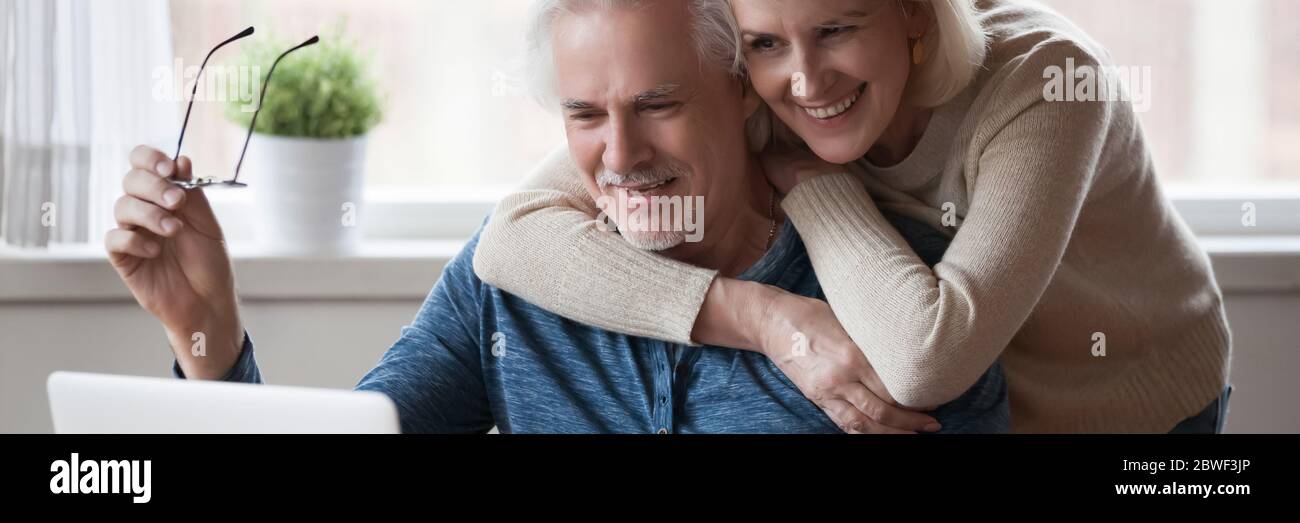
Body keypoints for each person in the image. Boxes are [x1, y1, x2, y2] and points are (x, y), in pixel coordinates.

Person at [104, 0, 1008, 433]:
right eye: (584, 115)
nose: (619, 155)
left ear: (743, 91)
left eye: (658, 104)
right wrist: (208, 334)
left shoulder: (894, 300)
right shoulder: (508, 283)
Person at [473, 0, 1232, 433]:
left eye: (837, 28)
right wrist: (761, 314)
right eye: (765, 44)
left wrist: (812, 180)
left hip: (1136, 410)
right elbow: (511, 238)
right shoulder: (766, 89)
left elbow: (928, 358)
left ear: (910, 13)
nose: (805, 81)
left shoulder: (1048, 80)